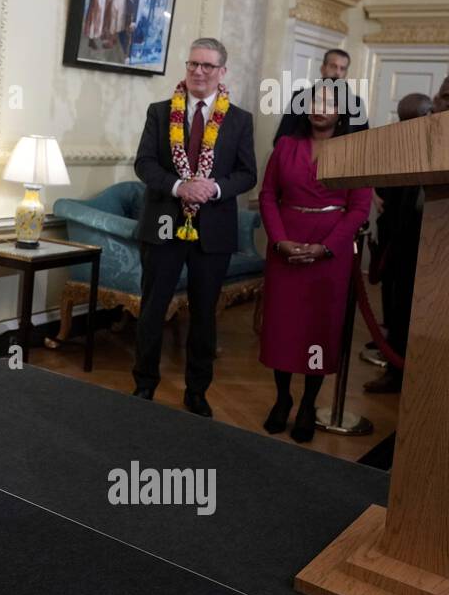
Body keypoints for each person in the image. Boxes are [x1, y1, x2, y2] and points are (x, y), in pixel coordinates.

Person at [132, 37, 258, 417]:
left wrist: (213, 188)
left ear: (222, 72)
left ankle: (197, 391)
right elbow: (144, 164)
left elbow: (247, 173)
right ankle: (144, 385)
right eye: (192, 65)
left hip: (213, 229)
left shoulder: (239, 119)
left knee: (204, 314)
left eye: (206, 66)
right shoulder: (159, 112)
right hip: (164, 222)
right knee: (154, 308)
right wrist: (180, 186)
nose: (198, 72)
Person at [258, 79, 372, 441]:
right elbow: (266, 196)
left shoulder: (356, 149)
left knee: (317, 329)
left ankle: (308, 404)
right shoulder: (286, 147)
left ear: (343, 111)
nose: (320, 107)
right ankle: (282, 399)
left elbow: (359, 209)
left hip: (329, 256)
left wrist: (326, 247)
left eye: (328, 101)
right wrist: (279, 242)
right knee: (283, 327)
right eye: (314, 100)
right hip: (285, 249)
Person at [364, 85, 449, 393]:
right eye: (446, 97)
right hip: (401, 240)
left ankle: (431, 378)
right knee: (398, 308)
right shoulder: (405, 140)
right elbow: (383, 184)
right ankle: (395, 372)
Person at [272, 48, 366, 144]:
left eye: (342, 68)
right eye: (333, 66)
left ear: (346, 73)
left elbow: (364, 143)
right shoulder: (300, 97)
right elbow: (281, 138)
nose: (338, 72)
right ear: (323, 68)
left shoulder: (356, 103)